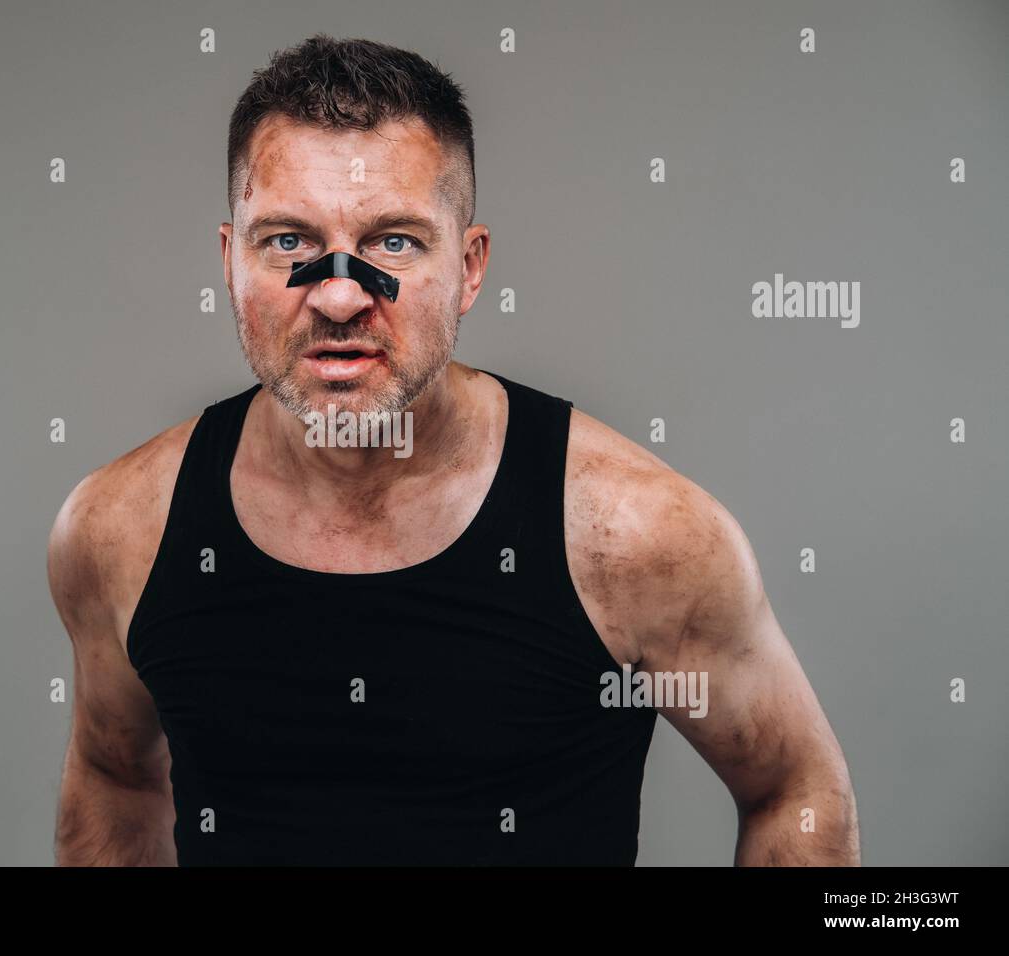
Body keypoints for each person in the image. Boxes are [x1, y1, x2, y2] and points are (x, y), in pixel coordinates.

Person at [47, 35, 859, 866]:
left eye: (394, 242)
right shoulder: (121, 529)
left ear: (470, 268)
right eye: (287, 241)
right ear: (229, 260)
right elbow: (114, 780)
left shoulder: (637, 533)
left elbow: (795, 792)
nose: (336, 293)